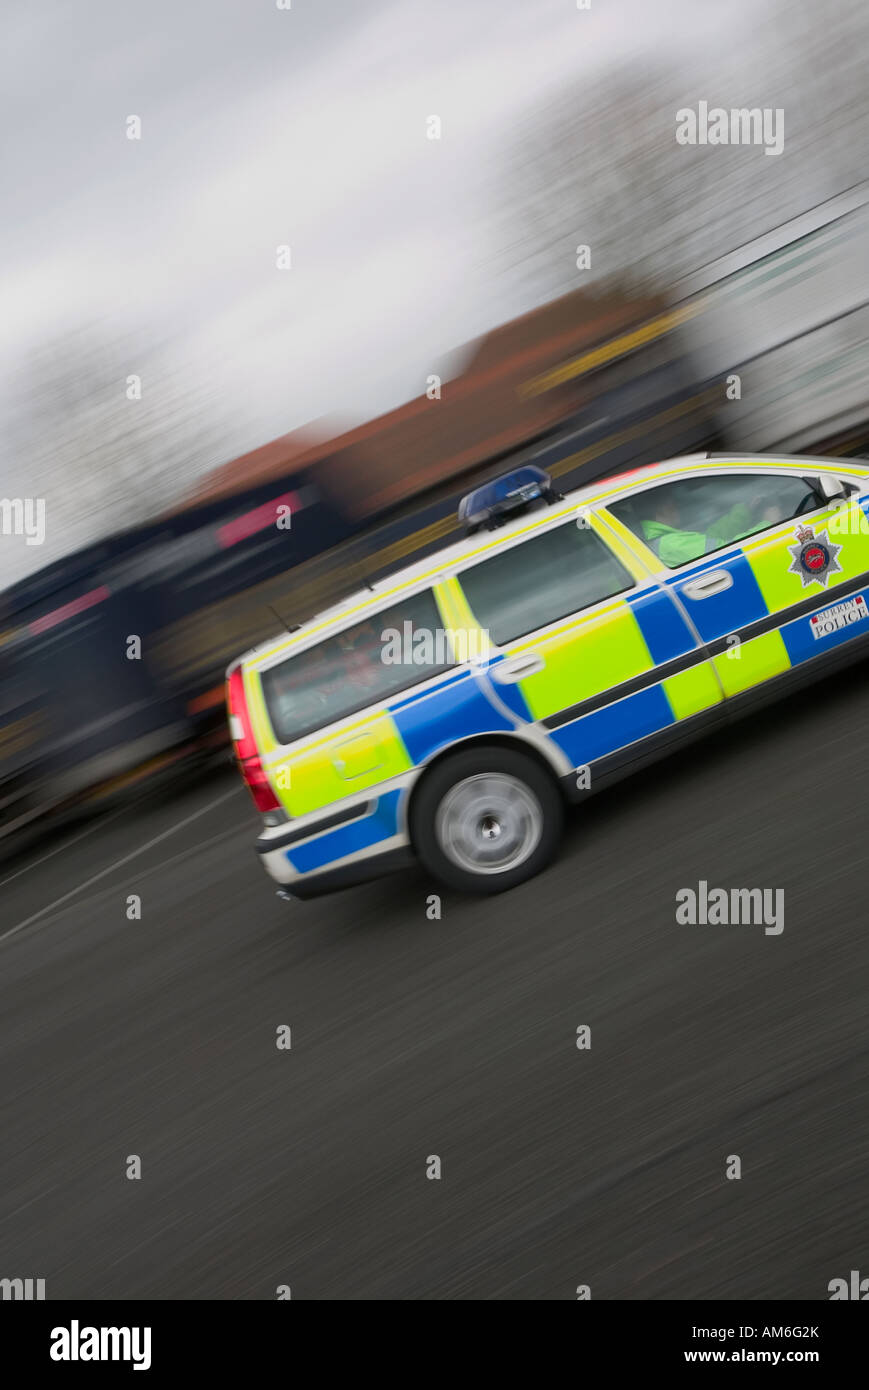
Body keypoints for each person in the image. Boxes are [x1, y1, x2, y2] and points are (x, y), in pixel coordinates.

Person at [640, 491, 756, 568]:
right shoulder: (671, 544)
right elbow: (728, 550)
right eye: (672, 505)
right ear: (662, 511)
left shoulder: (662, 540)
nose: (677, 508)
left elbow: (711, 537)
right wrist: (768, 522)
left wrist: (743, 511)